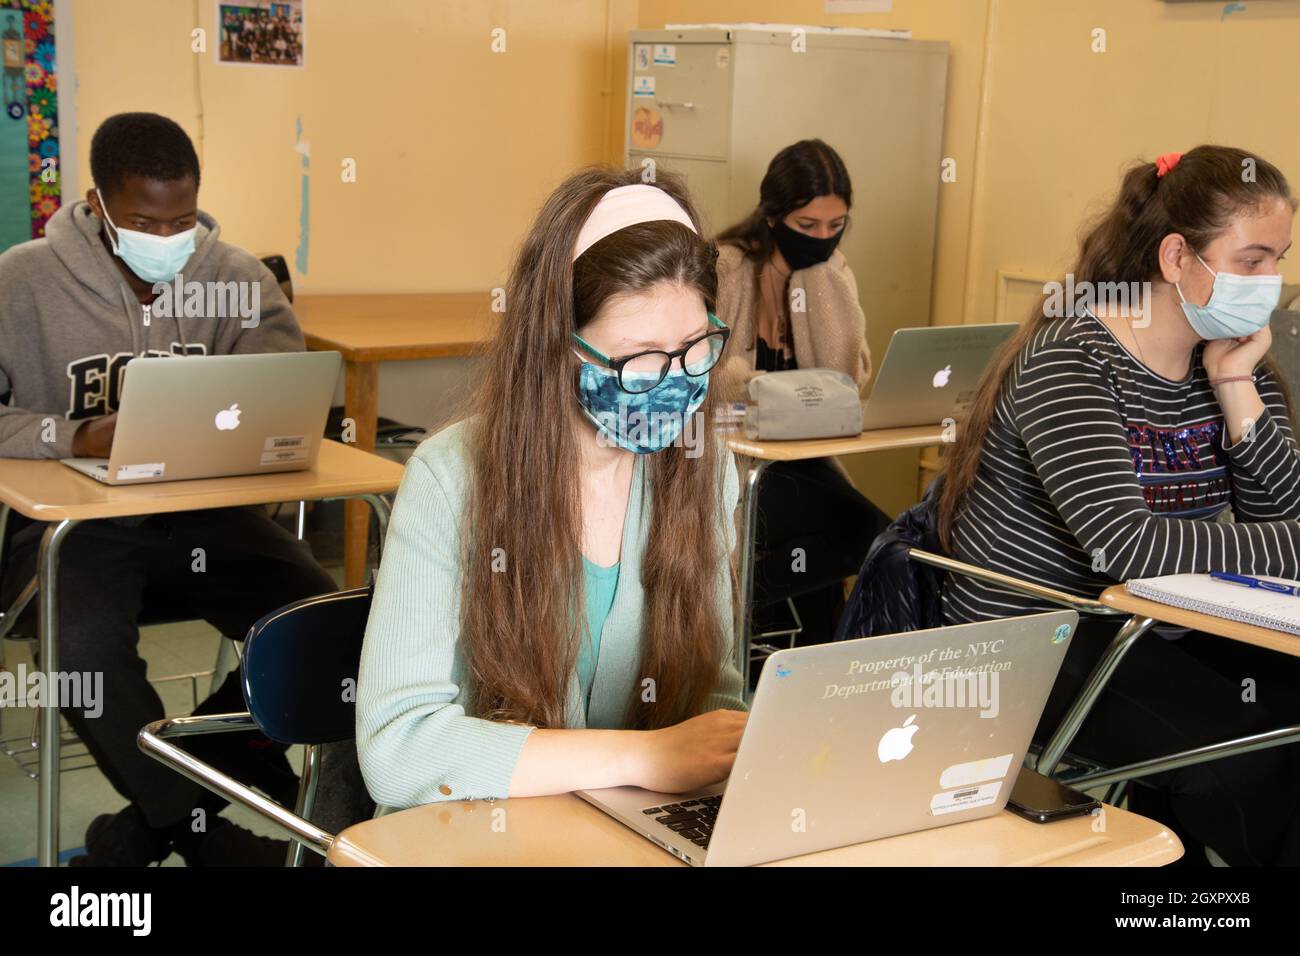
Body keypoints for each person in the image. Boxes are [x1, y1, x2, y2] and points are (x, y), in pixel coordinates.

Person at [936, 145, 1300, 865]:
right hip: (1038, 638)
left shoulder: (1227, 355)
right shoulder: (1072, 358)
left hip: (1155, 623)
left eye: (1280, 260)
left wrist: (1235, 389)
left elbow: (1284, 516)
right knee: (1247, 760)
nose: (1272, 283)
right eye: (1253, 260)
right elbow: (1127, 549)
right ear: (1176, 257)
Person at [0, 112, 337, 865]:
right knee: (82, 654)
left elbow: (287, 401)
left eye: (182, 218)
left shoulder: (236, 278)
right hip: (73, 527)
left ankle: (151, 821)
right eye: (144, 220)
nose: (167, 235)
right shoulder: (20, 281)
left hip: (205, 517)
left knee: (333, 632)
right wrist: (73, 436)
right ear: (98, 204)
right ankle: (204, 836)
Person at [357, 168, 748, 807]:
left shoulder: (706, 469)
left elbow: (712, 698)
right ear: (556, 347)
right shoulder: (449, 478)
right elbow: (398, 750)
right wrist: (645, 756)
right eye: (640, 357)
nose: (676, 381)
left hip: (628, 827)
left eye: (695, 347)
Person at [714, 139, 889, 649]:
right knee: (860, 529)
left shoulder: (832, 274)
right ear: (772, 217)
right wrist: (760, 388)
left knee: (867, 538)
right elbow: (706, 375)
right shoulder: (728, 268)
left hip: (801, 458)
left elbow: (844, 382)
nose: (823, 239)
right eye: (807, 227)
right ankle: (726, 607)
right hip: (733, 460)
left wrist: (818, 278)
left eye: (836, 227)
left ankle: (741, 608)